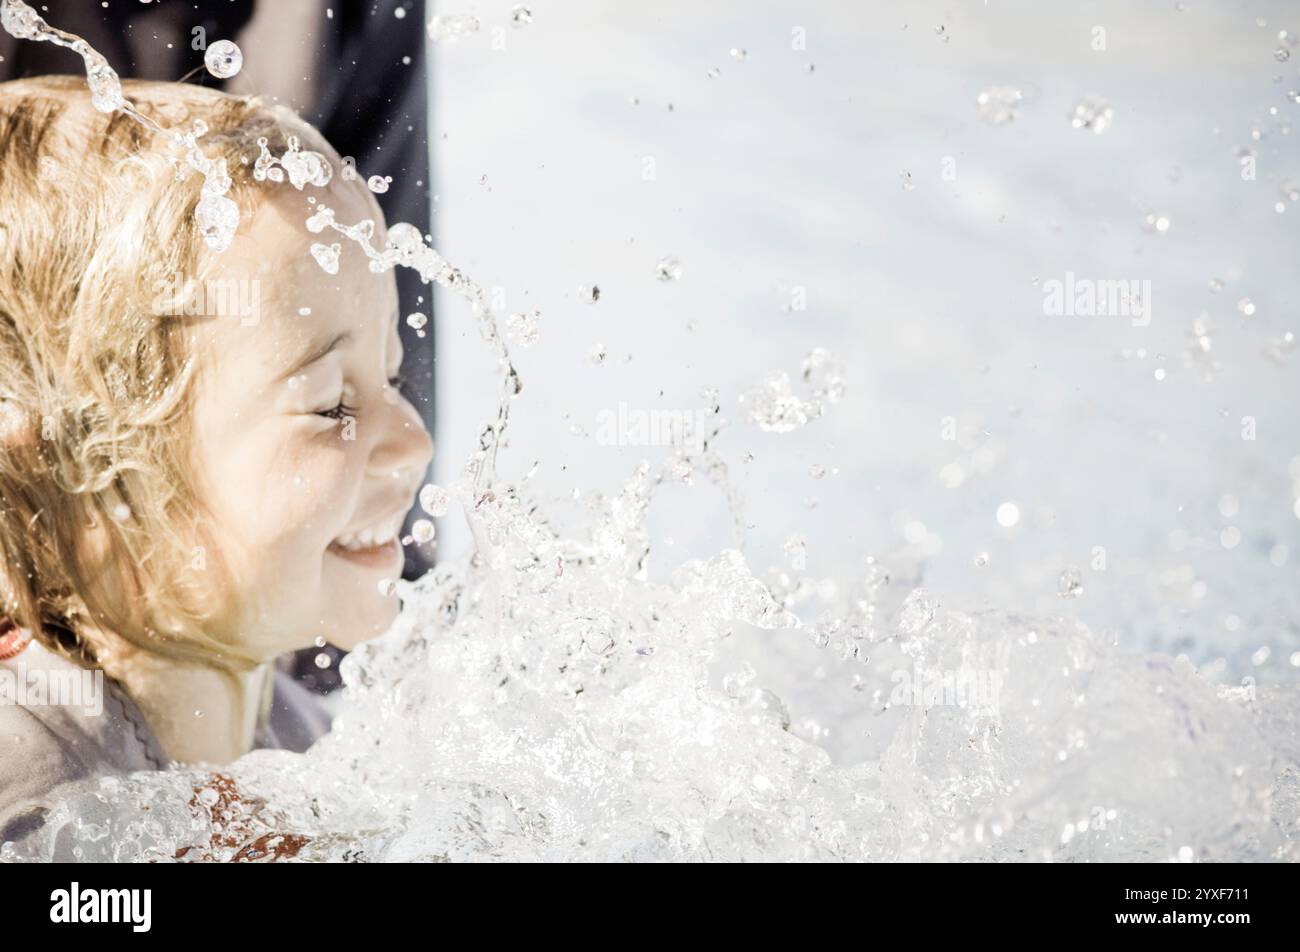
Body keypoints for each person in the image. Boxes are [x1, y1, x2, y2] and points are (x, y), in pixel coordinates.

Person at [0, 76, 434, 845]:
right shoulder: (32, 788)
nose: (413, 441)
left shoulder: (302, 738)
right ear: (99, 487)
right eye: (333, 403)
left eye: (393, 378)